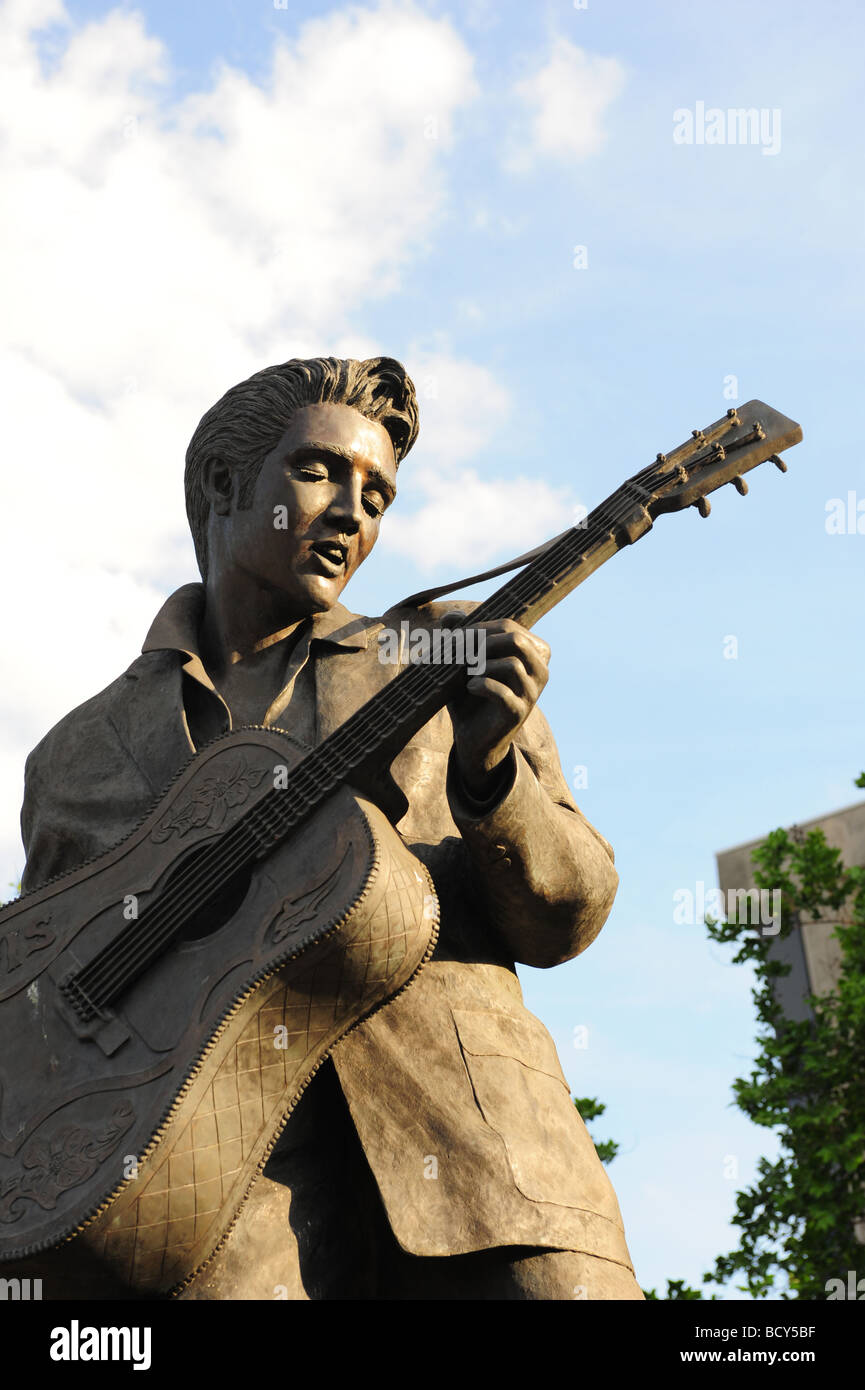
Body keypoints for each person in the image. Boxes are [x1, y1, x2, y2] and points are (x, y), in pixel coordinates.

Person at [19, 356, 643, 1299]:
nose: (355, 512)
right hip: (215, 1212)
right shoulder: (80, 752)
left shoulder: (446, 660)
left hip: (482, 1170)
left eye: (379, 494)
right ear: (226, 484)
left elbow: (567, 915)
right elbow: (39, 1009)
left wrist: (487, 774)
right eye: (319, 472)